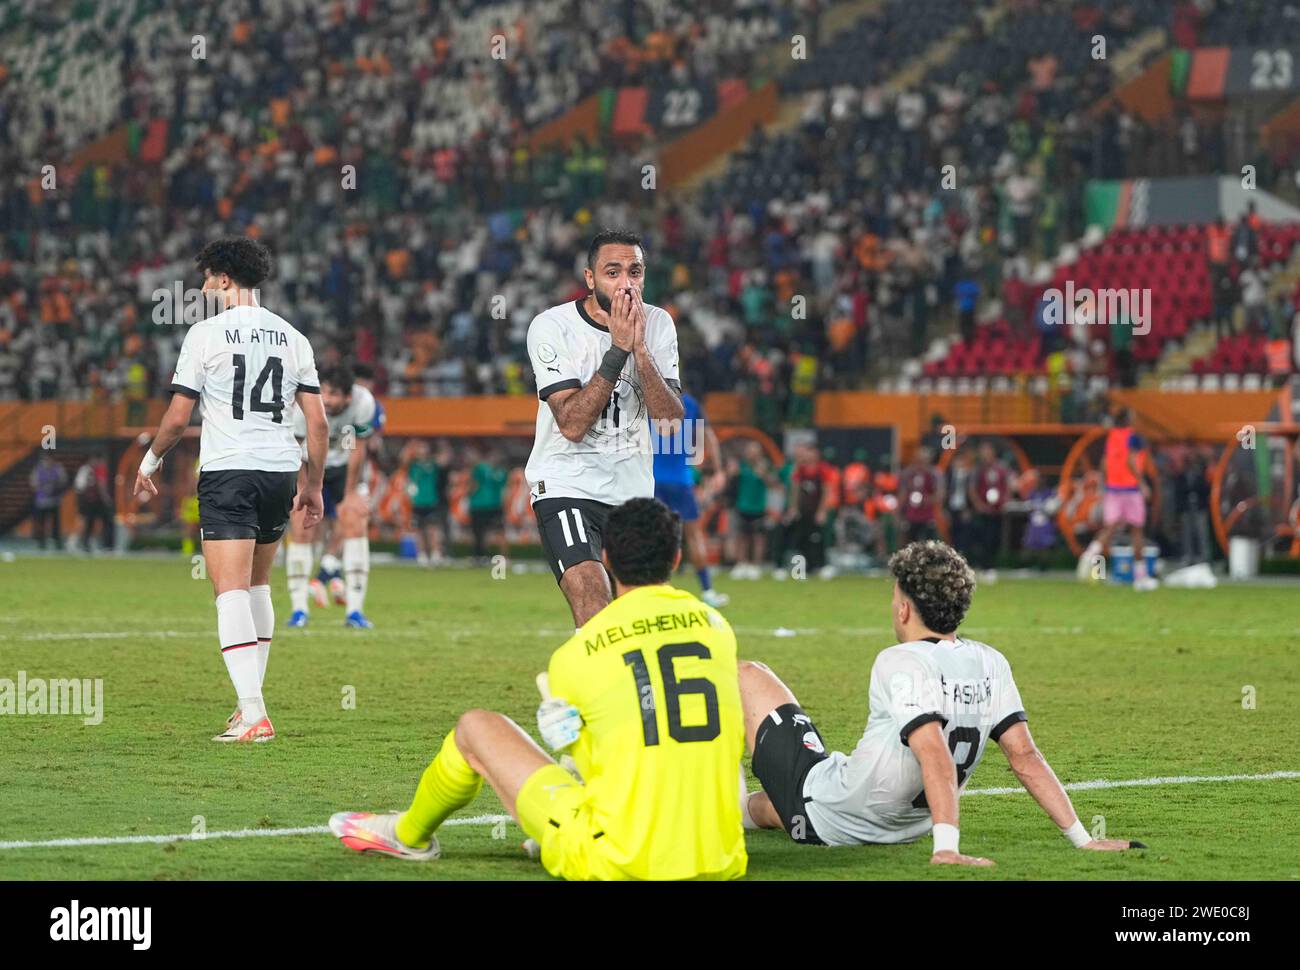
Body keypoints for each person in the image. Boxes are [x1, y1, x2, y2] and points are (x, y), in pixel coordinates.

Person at [329, 498, 747, 881]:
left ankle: (407, 834)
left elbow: (592, 764)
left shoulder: (579, 653)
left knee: (477, 727)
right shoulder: (718, 630)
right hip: (720, 859)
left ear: (607, 560)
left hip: (620, 861)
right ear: (677, 558)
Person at [738, 540, 1146, 864]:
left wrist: (947, 849)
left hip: (834, 813)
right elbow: (1024, 755)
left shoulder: (898, 660)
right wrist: (1082, 838)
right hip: (905, 825)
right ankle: (734, 813)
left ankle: (702, 794)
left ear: (903, 610)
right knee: (771, 809)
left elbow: (933, 753)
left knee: (745, 674)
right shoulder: (992, 661)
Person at [133, 236, 327, 743]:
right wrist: (315, 485)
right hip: (279, 472)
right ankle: (249, 708)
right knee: (258, 587)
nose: (202, 286)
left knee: (229, 592)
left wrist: (151, 460)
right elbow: (319, 425)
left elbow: (178, 418)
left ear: (223, 278)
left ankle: (254, 713)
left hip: (228, 471)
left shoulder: (205, 334)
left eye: (206, 278)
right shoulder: (294, 337)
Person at [524, 228, 684, 628]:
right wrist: (617, 350)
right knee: (593, 595)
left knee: (634, 614)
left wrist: (641, 350)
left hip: (631, 491)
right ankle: (595, 690)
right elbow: (573, 424)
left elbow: (669, 423)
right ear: (590, 278)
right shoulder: (551, 327)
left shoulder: (660, 324)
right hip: (565, 484)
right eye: (613, 272)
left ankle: (627, 689)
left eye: (635, 271)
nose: (626, 283)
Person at [284, 363, 380, 628]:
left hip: (344, 468)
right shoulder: (303, 406)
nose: (326, 399)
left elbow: (359, 450)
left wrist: (349, 494)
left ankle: (355, 612)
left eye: (334, 394)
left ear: (348, 396)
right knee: (301, 528)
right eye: (324, 392)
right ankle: (299, 610)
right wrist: (304, 490)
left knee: (355, 522)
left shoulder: (364, 403)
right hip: (311, 466)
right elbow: (298, 451)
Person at [652, 390, 729, 606]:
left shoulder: (647, 395)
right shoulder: (689, 403)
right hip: (680, 479)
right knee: (694, 536)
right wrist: (716, 469)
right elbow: (707, 436)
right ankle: (708, 592)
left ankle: (656, 591)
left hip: (651, 478)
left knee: (653, 537)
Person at [1078, 408, 1158, 590]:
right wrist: (1142, 483)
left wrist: (1106, 484)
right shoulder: (1133, 437)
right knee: (1137, 531)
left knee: (1109, 529)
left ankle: (1091, 558)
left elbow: (1104, 463)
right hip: (1130, 489)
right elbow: (1131, 461)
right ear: (1129, 420)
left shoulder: (1112, 437)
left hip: (1113, 489)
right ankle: (1141, 578)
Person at [782, 441, 838, 579]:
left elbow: (826, 491)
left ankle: (823, 566)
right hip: (803, 510)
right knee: (802, 539)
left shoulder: (822, 470)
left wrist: (822, 511)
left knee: (819, 539)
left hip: (816, 511)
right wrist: (793, 508)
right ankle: (804, 568)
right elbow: (795, 489)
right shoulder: (800, 470)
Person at [730, 440, 775, 580]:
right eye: (750, 450)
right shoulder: (741, 465)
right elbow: (731, 479)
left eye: (754, 451)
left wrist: (764, 475)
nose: (752, 453)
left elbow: (773, 484)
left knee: (758, 538)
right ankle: (741, 564)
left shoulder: (764, 466)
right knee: (741, 536)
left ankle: (756, 565)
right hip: (742, 506)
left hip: (758, 507)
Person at [968, 441, 1011, 581]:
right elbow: (972, 489)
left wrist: (1004, 501)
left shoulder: (1001, 468)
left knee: (994, 539)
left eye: (987, 451)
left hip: (997, 510)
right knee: (982, 538)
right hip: (983, 511)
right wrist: (979, 505)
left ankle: (991, 567)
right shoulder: (978, 469)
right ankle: (982, 566)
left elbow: (1007, 486)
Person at [404, 439, 450, 565]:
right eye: (420, 448)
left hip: (431, 500)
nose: (422, 450)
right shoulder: (413, 465)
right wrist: (410, 445)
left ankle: (435, 554)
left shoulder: (432, 464)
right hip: (417, 502)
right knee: (418, 530)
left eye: (424, 448)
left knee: (432, 530)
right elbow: (404, 462)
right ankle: (422, 555)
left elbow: (445, 459)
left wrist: (442, 444)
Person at [468, 446, 509, 564]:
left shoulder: (487, 469)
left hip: (487, 505)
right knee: (484, 533)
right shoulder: (491, 470)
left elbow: (473, 484)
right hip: (484, 505)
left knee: (490, 532)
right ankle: (486, 556)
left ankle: (492, 557)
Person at [898, 445, 942, 545]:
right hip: (911, 515)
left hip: (928, 516)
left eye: (923, 460)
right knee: (909, 544)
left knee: (929, 545)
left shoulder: (935, 474)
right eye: (918, 460)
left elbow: (939, 495)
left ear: (929, 460)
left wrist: (926, 500)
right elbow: (903, 494)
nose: (920, 463)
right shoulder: (907, 473)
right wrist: (898, 512)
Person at [74, 452, 114, 554]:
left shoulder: (89, 469)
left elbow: (79, 486)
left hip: (92, 501)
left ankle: (86, 544)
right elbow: (100, 485)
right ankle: (102, 545)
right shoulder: (91, 469)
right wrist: (106, 499)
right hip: (91, 501)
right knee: (93, 523)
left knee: (90, 523)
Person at [30, 452, 67, 551]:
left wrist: (54, 487)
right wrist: (43, 488)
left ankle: (56, 541)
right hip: (42, 501)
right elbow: (34, 483)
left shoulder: (57, 468)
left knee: (55, 523)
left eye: (49, 459)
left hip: (54, 500)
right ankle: (41, 542)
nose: (47, 462)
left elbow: (63, 481)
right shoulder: (38, 470)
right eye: (45, 460)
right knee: (41, 522)